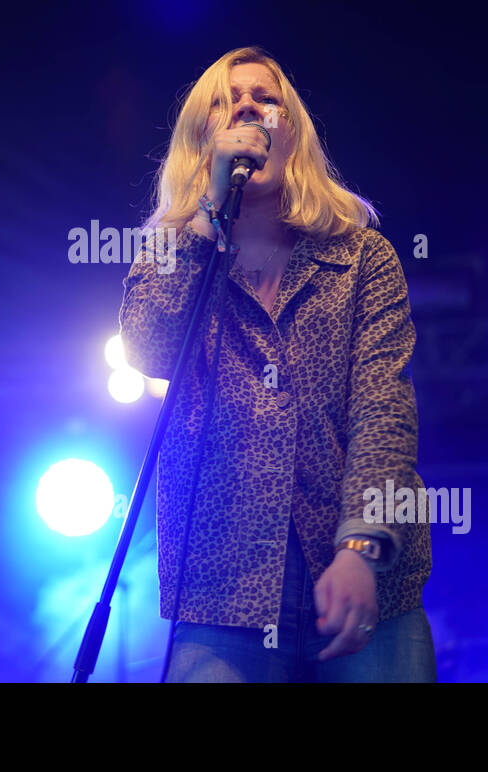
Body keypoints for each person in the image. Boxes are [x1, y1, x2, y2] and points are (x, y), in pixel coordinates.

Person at [119, 45, 434, 681]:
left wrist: (361, 547)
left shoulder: (361, 257)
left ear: (291, 135)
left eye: (265, 98)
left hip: (360, 584)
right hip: (219, 593)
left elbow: (384, 412)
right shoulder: (172, 252)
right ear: (202, 139)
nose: (246, 107)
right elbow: (148, 349)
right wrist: (207, 221)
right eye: (225, 101)